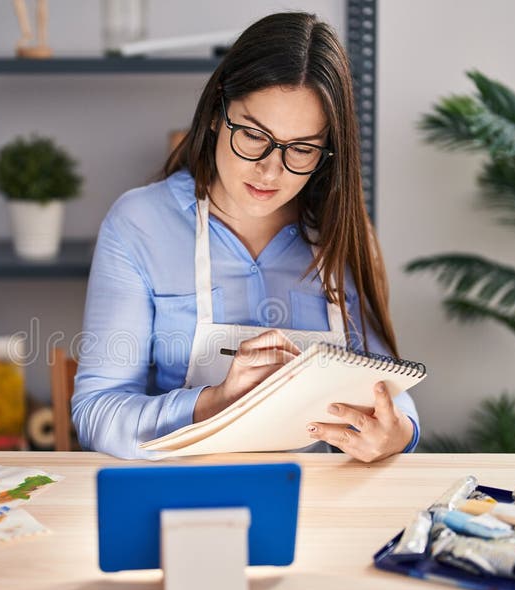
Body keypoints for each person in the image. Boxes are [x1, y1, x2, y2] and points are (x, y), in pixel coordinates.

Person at [71, 12, 419, 461]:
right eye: (254, 136)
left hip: (320, 501)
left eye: (302, 148)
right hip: (182, 498)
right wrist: (213, 402)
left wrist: (399, 433)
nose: (271, 171)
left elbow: (390, 388)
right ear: (218, 112)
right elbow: (96, 415)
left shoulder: (343, 232)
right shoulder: (140, 225)